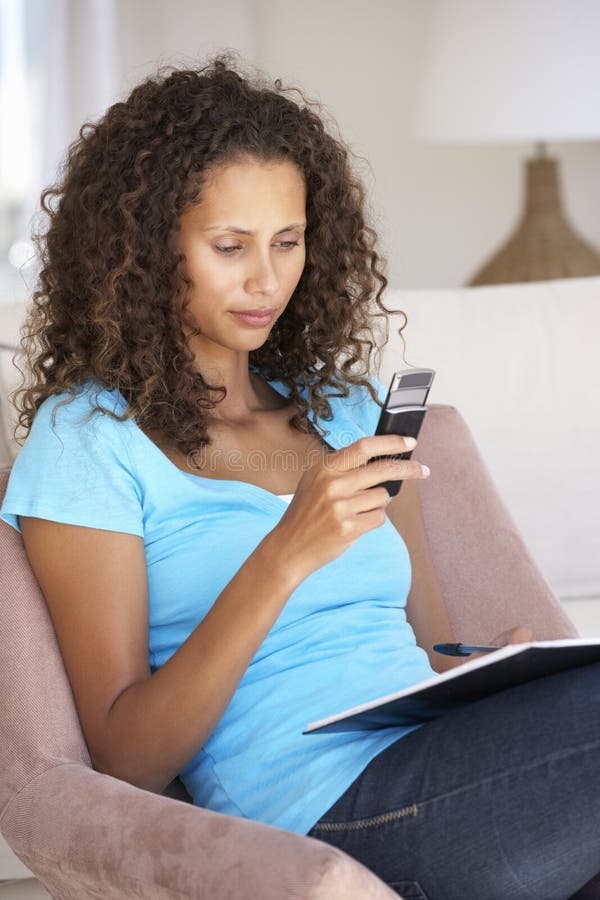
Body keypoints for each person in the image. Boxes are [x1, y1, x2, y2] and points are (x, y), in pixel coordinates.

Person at [0, 52, 598, 900]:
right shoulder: (90, 441)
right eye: (229, 247)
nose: (267, 279)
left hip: (448, 765)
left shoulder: (349, 413)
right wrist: (284, 553)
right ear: (143, 251)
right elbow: (123, 758)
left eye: (288, 241)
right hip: (324, 807)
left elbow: (428, 653)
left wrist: (491, 669)